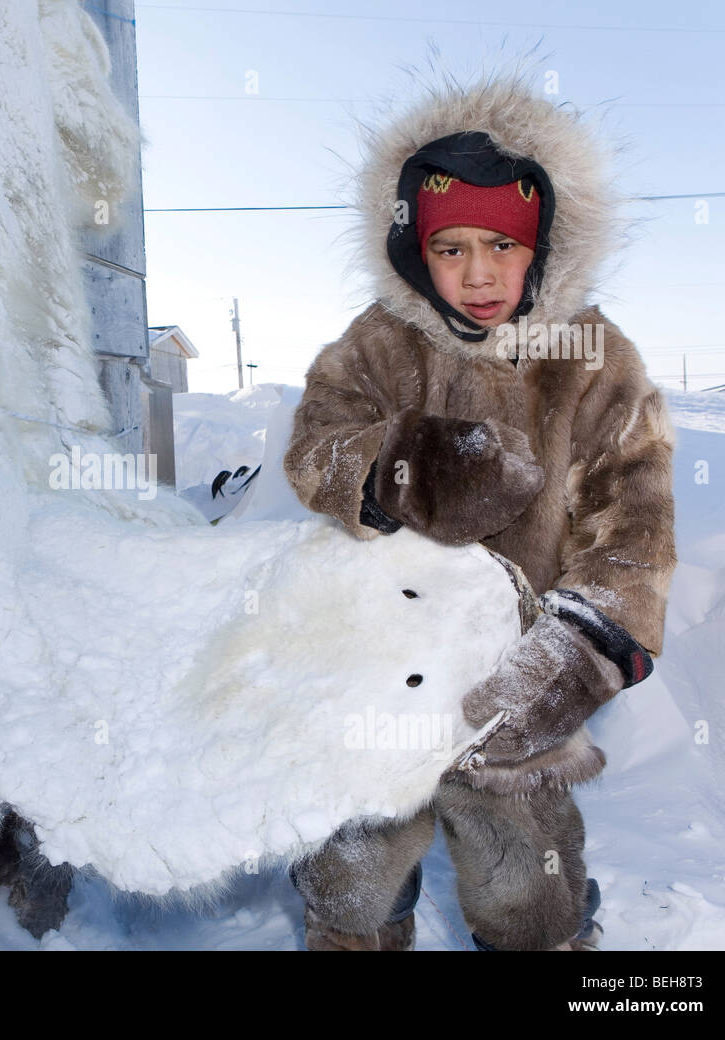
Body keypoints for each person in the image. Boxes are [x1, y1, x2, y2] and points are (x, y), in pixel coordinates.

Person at [281, 76, 677, 951]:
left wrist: (576, 655)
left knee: (526, 883)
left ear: (543, 246)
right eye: (451, 247)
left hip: (516, 683)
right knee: (353, 870)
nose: (479, 270)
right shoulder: (375, 345)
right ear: (415, 251)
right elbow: (314, 448)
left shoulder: (596, 360)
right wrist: (403, 467)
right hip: (376, 669)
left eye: (502, 242)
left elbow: (634, 536)